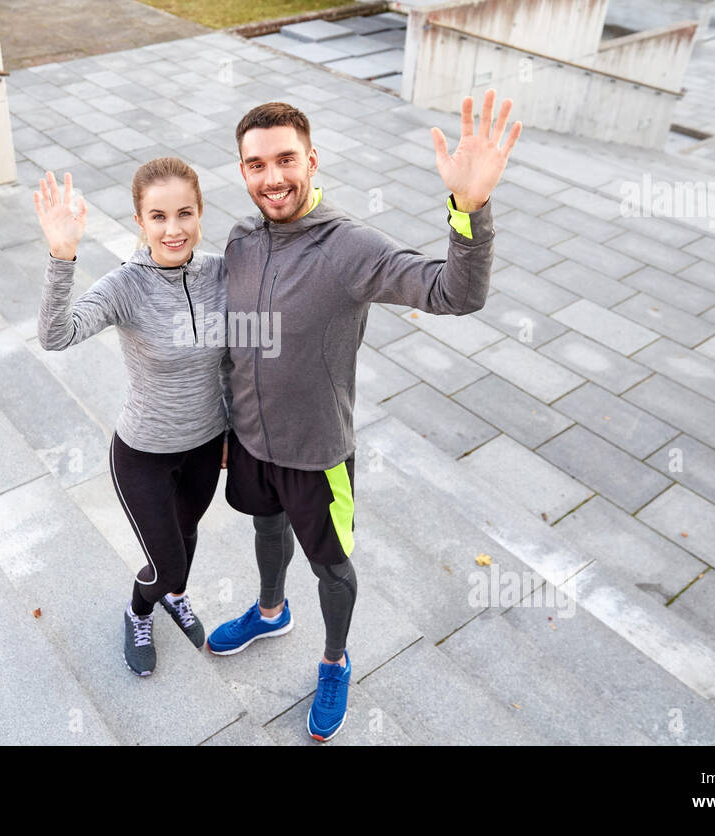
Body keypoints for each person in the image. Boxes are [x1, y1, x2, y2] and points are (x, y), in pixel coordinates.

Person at [208, 88, 521, 740]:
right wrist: (227, 424)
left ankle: (334, 659)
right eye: (257, 164)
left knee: (331, 566)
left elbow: (456, 293)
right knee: (266, 531)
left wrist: (470, 208)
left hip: (317, 453)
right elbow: (231, 342)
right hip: (251, 443)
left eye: (285, 160)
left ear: (312, 160)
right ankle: (271, 611)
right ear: (242, 171)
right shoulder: (240, 241)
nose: (273, 178)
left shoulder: (350, 248)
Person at [35, 160, 230, 677]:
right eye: (158, 216)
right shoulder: (125, 286)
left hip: (208, 447)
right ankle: (141, 608)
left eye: (184, 213)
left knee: (186, 539)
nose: (174, 229)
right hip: (143, 454)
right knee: (165, 563)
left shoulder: (219, 272)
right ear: (140, 222)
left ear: (200, 213)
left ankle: (175, 595)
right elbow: (57, 337)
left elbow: (240, 356)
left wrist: (232, 428)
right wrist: (62, 256)